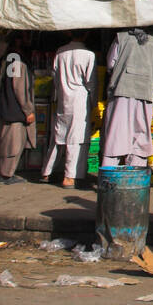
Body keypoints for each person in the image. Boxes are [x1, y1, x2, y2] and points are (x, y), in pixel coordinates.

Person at [101, 28, 153, 168]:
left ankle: (109, 176)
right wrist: (149, 74)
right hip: (145, 92)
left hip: (121, 90)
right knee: (140, 135)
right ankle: (134, 178)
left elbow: (110, 64)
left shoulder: (121, 38)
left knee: (116, 133)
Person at [41, 32, 96, 188]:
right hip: (79, 98)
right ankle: (69, 177)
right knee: (75, 139)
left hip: (63, 97)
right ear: (85, 36)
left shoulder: (61, 52)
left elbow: (54, 74)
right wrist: (93, 102)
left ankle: (47, 171)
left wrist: (57, 94)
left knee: (58, 136)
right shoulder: (88, 54)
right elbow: (91, 82)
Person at [0, 41, 35, 185]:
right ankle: (5, 174)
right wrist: (28, 109)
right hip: (15, 110)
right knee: (13, 144)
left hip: (6, 107)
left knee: (3, 142)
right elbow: (19, 88)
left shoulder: (8, 60)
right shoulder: (17, 62)